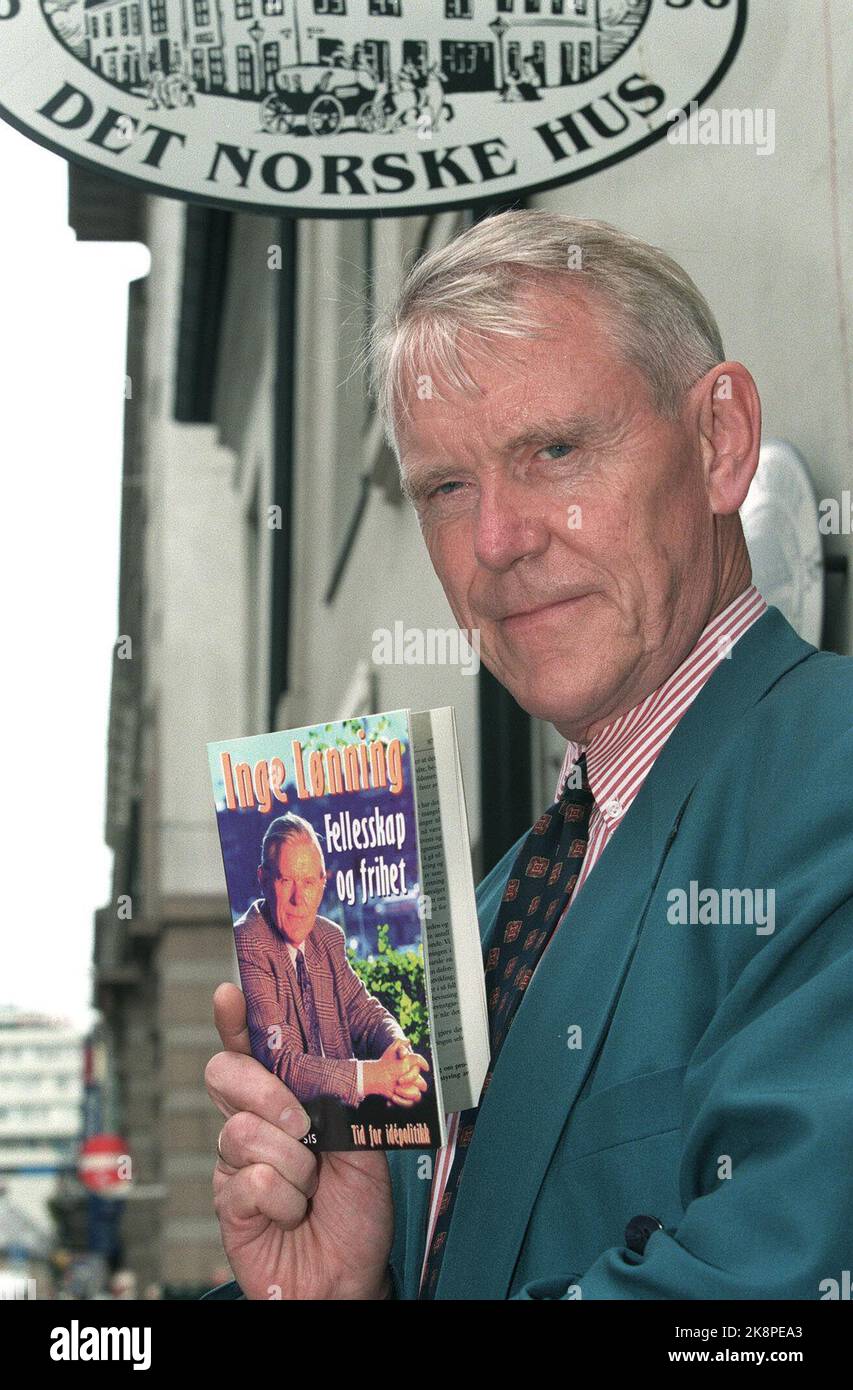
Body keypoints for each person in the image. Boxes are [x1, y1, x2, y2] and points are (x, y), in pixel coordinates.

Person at [202, 212, 853, 1301]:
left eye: (553, 450)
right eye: (446, 489)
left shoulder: (824, 782)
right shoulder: (476, 919)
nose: (496, 542)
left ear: (719, 441)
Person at [234, 813, 428, 1113]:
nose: (299, 899)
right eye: (286, 880)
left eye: (309, 881)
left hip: (347, 1124)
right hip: (295, 1127)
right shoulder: (248, 941)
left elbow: (365, 1014)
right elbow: (281, 1064)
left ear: (323, 884)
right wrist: (377, 1077)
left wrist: (398, 1052)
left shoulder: (328, 937)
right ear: (263, 880)